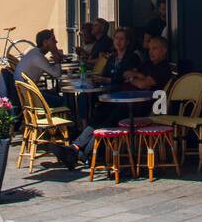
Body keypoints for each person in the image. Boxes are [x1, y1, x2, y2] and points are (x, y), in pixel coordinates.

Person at [59, 36, 172, 170]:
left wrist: (133, 79)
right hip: (128, 102)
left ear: (164, 51)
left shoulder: (163, 68)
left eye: (155, 48)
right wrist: (135, 77)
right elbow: (129, 73)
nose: (151, 52)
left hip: (142, 107)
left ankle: (84, 153)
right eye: (150, 49)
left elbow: (142, 84)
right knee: (100, 112)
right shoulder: (148, 64)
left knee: (109, 122)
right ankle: (76, 147)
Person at [13, 28, 65, 107]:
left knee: (55, 94)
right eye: (53, 39)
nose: (56, 42)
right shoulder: (37, 57)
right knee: (63, 101)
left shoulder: (35, 52)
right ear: (45, 42)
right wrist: (56, 56)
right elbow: (57, 74)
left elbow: (49, 70)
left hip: (27, 93)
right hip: (30, 97)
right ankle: (71, 117)